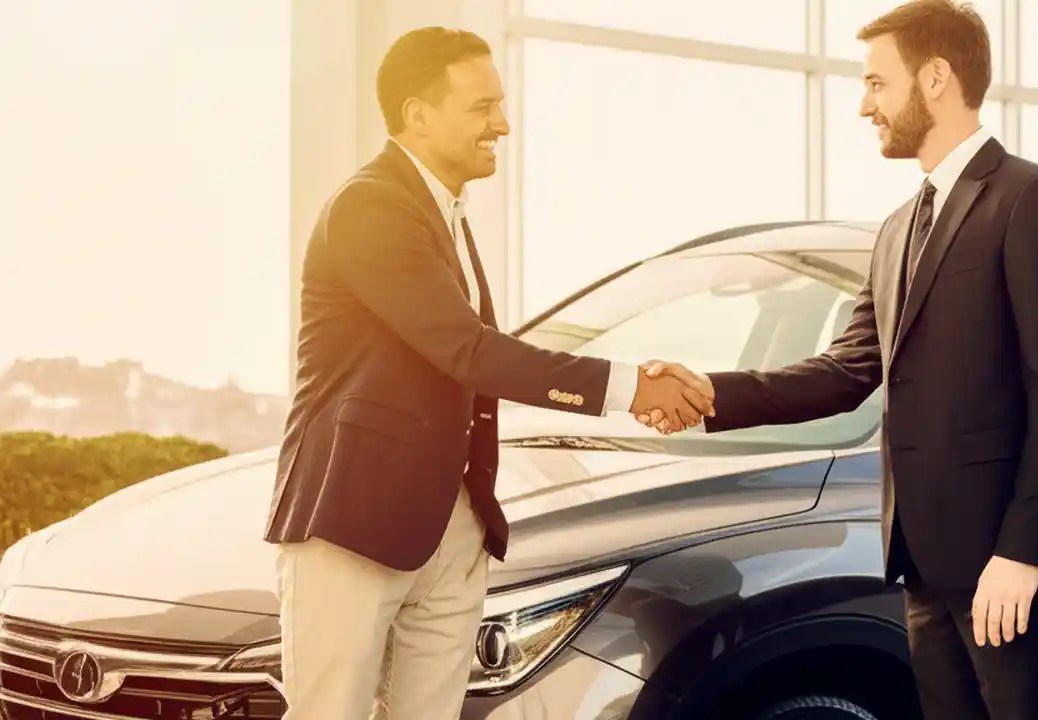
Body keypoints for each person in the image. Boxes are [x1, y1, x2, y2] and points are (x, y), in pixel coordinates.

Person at [639, 1, 1038, 717]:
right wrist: (711, 391)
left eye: (877, 83)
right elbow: (846, 370)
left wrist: (1023, 555)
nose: (864, 106)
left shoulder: (1034, 200)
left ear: (936, 79)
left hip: (1012, 567)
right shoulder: (895, 231)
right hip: (925, 564)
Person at [263, 27, 712, 720]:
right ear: (418, 114)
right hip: (353, 520)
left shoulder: (443, 212)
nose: (502, 123)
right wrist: (631, 388)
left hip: (451, 524)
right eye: (481, 107)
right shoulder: (370, 207)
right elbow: (469, 351)